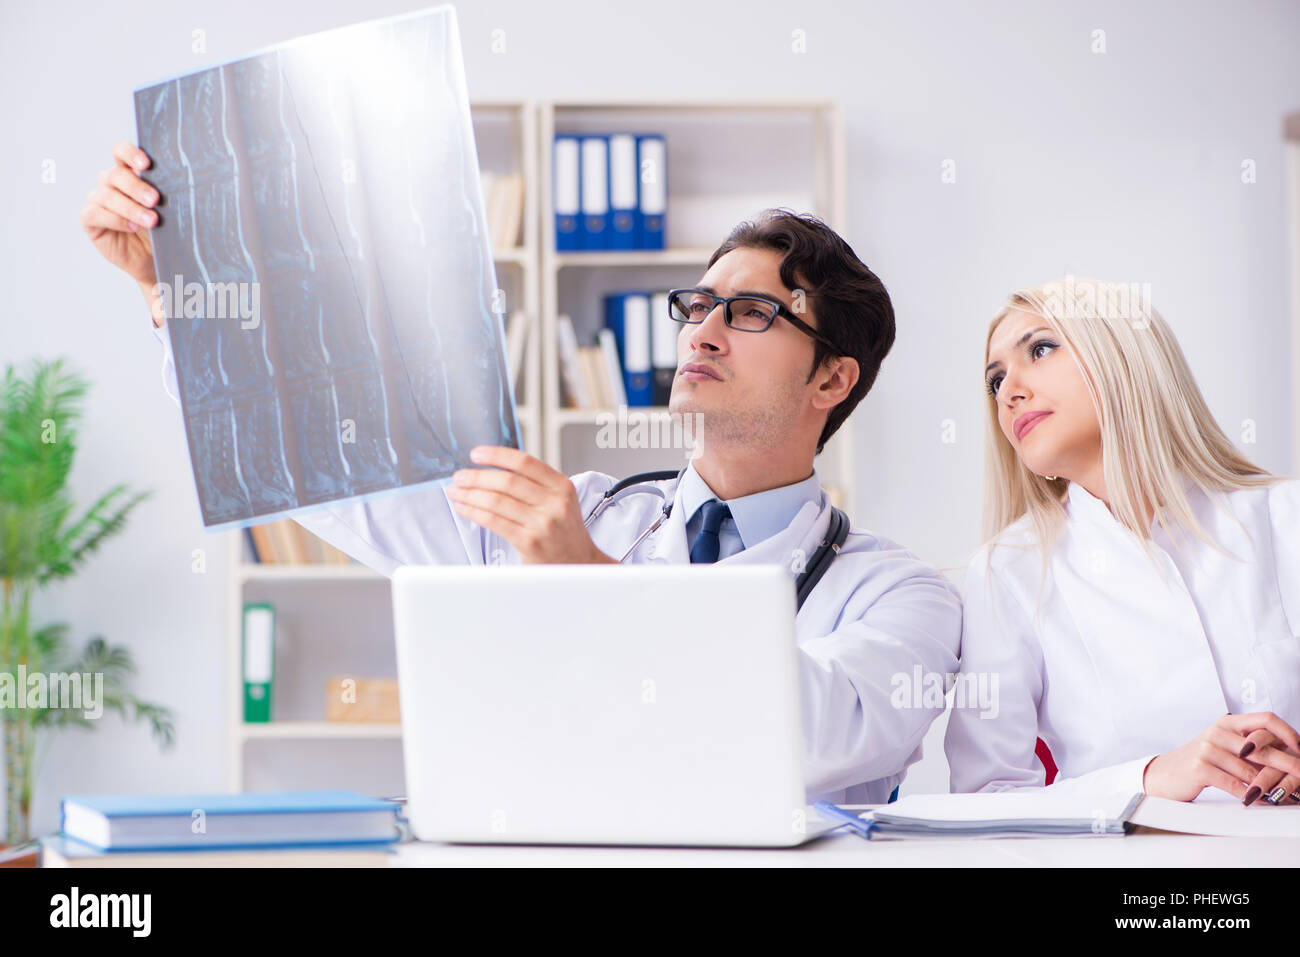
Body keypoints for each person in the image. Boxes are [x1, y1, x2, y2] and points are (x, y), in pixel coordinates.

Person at [82, 141, 963, 805]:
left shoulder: (897, 595)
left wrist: (590, 581)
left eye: (750, 312)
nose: (699, 330)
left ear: (832, 378)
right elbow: (324, 476)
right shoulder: (575, 514)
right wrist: (175, 297)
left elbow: (819, 730)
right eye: (696, 304)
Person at [945, 277, 1300, 805]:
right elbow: (985, 797)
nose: (1009, 392)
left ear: (1124, 356)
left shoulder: (1284, 517)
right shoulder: (1007, 571)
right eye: (994, 381)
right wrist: (1148, 779)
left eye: (1040, 349)